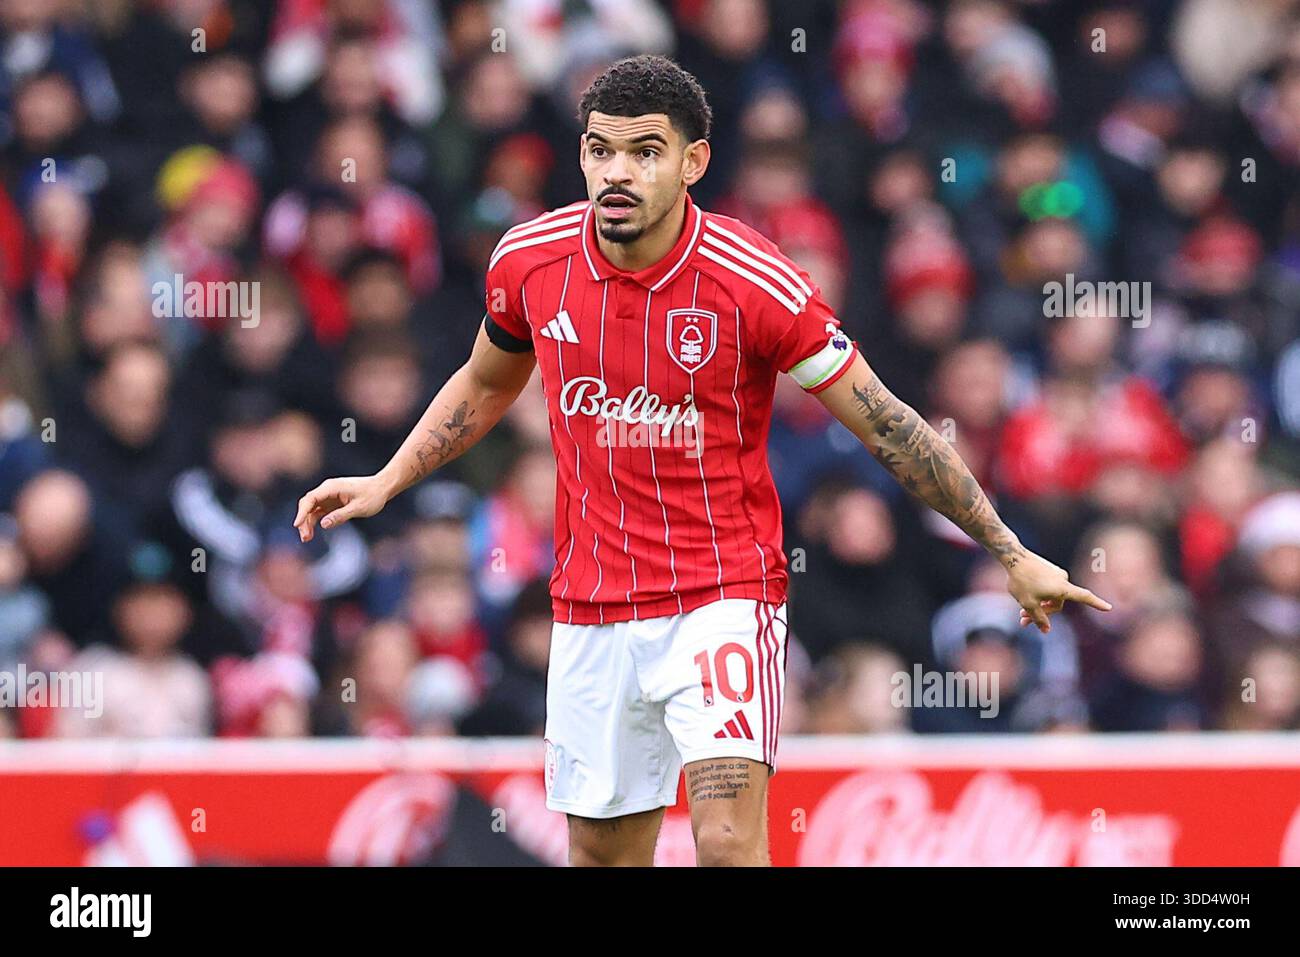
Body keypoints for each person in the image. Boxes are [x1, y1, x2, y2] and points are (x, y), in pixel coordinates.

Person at [293, 55, 1112, 867]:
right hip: (592, 605)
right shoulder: (528, 261)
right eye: (600, 149)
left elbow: (890, 426)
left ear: (693, 162)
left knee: (725, 843)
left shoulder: (754, 283)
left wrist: (1006, 547)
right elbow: (484, 381)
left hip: (720, 595)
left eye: (645, 152)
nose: (617, 172)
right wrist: (387, 478)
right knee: (605, 855)